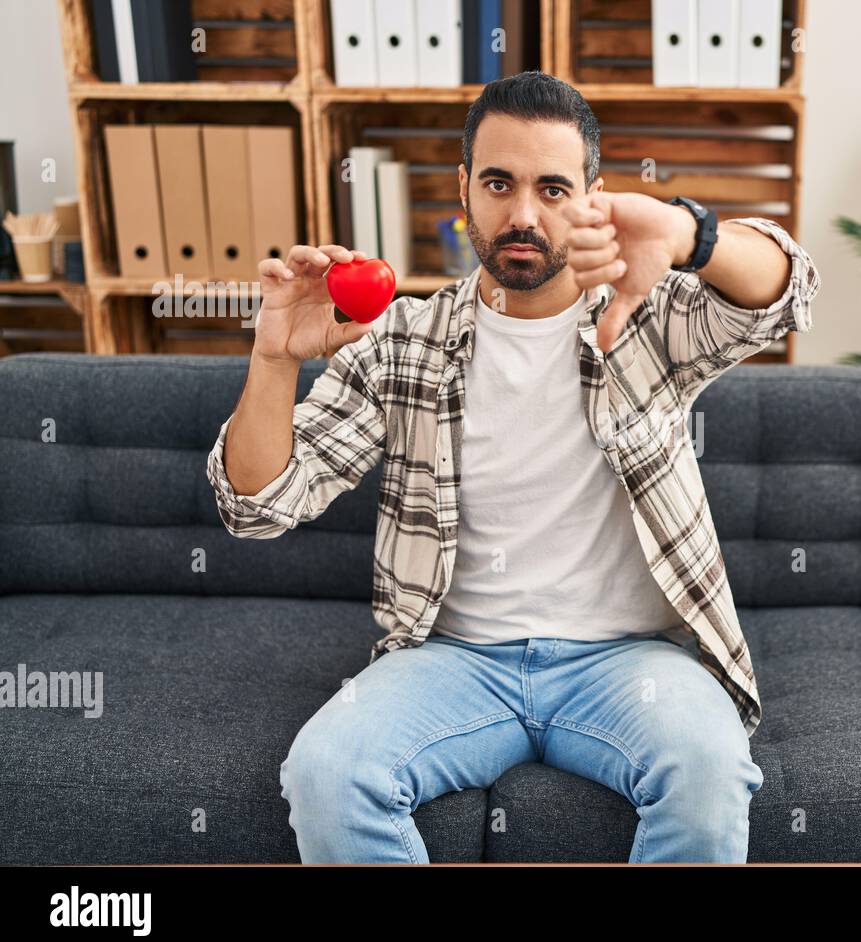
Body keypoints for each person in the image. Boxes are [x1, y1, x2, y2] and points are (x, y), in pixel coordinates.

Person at [207, 70, 822, 864]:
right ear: (465, 189)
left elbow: (787, 292)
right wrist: (272, 358)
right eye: (499, 183)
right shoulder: (403, 340)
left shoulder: (647, 315)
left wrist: (687, 235)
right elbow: (258, 506)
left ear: (593, 196)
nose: (524, 214)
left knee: (708, 776)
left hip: (631, 659)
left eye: (554, 188)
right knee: (326, 772)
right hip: (455, 660)